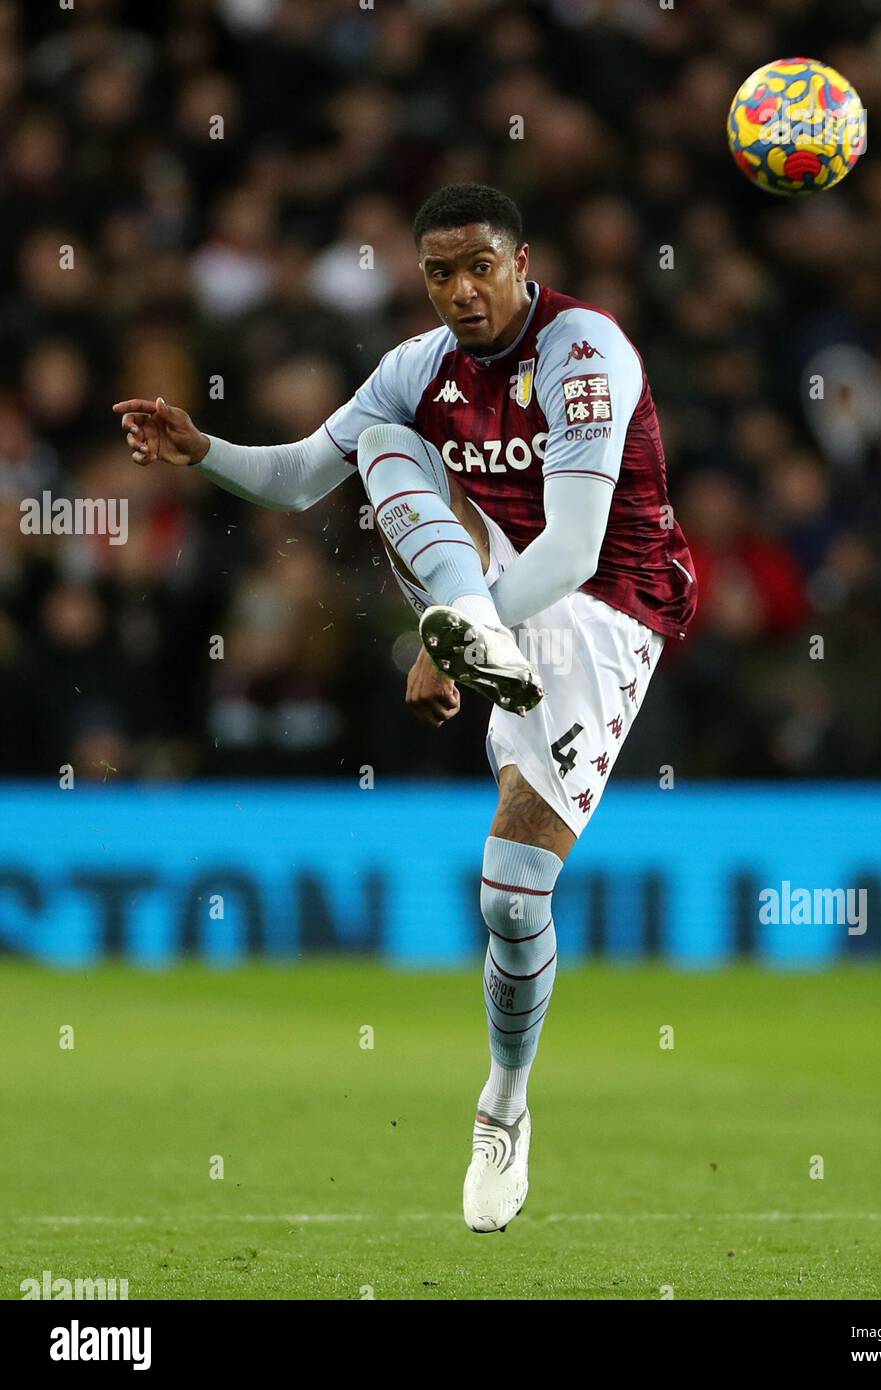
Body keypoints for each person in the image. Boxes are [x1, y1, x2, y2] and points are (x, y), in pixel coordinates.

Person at [114, 183, 696, 1233]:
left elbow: (572, 550)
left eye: (481, 266)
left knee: (515, 899)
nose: (462, 291)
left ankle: (503, 1105)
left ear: (524, 261)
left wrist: (445, 636)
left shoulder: (584, 353)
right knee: (383, 441)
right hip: (494, 586)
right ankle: (470, 632)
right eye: (439, 273)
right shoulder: (416, 369)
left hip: (608, 603)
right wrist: (205, 451)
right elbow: (298, 480)